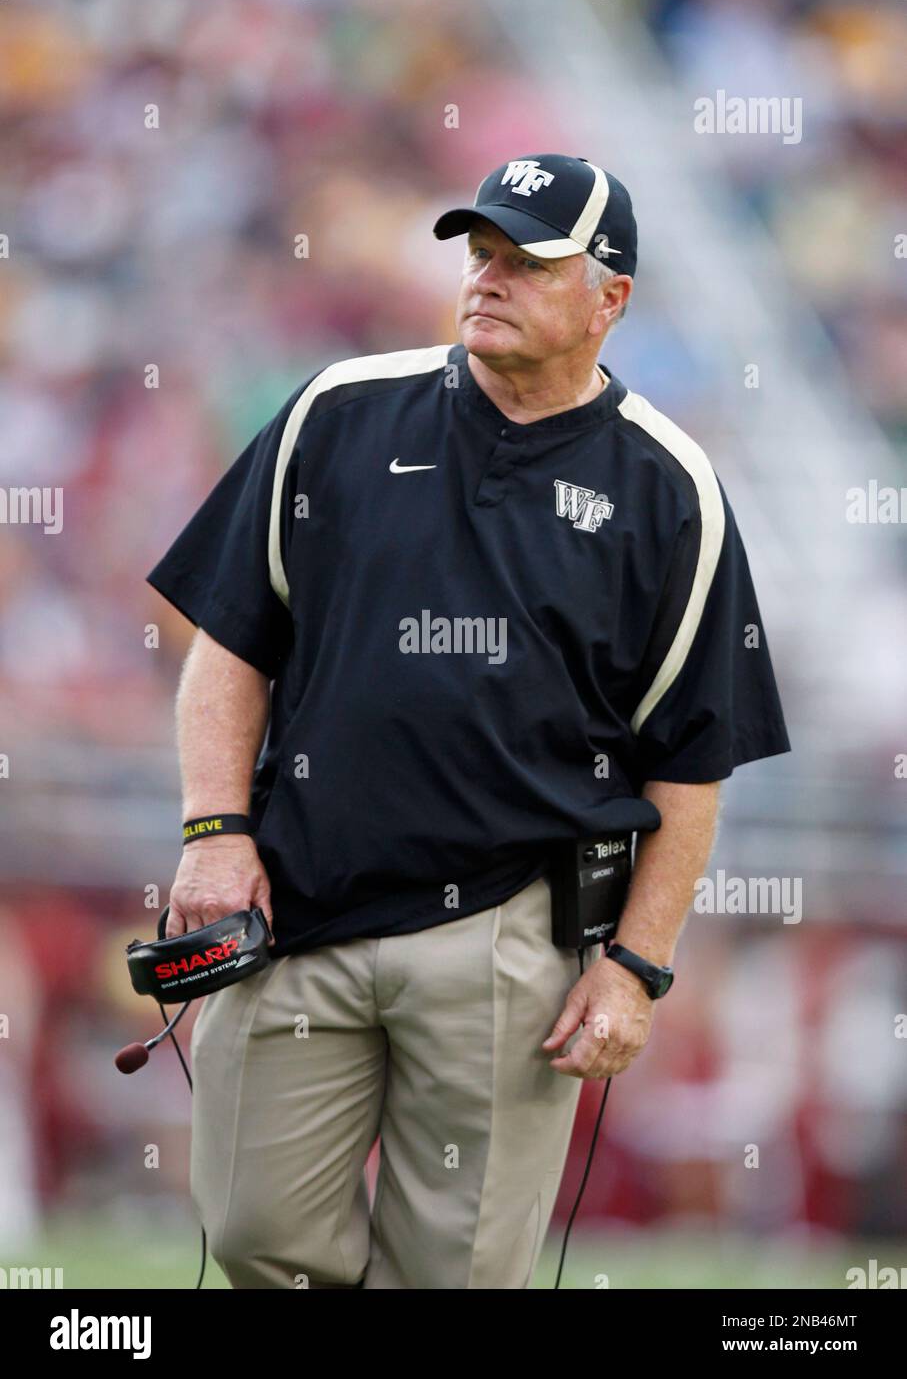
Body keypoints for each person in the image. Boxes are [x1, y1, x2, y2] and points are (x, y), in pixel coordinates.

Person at [146, 153, 791, 1289]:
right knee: (255, 1236)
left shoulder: (668, 487)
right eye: (479, 254)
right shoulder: (335, 413)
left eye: (526, 263)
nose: (486, 279)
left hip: (509, 938)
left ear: (610, 300)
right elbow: (229, 642)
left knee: (455, 1274)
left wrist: (636, 965)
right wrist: (213, 830)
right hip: (297, 901)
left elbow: (692, 762)